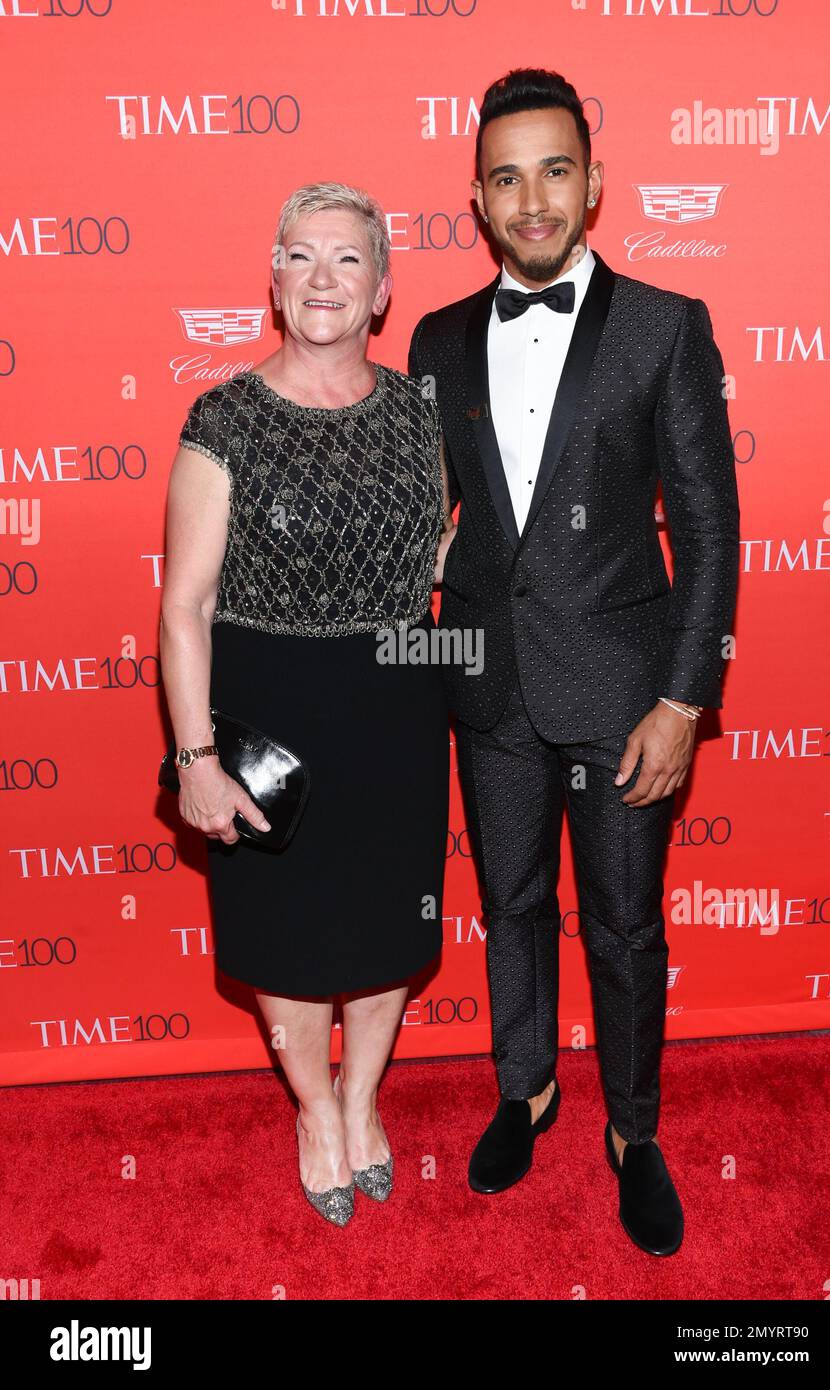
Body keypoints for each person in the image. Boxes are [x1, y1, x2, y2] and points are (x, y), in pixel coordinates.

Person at [409, 69, 740, 1256]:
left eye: (556, 170)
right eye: (507, 176)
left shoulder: (664, 324)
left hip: (621, 690)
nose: (533, 197)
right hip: (489, 684)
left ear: (594, 184)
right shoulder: (437, 338)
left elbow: (705, 526)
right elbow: (435, 515)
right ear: (478, 199)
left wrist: (684, 698)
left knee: (623, 924)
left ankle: (634, 1132)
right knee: (508, 905)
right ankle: (525, 1087)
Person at [159, 182, 456, 1227]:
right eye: (302, 256)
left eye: (347, 259)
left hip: (396, 709)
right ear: (273, 278)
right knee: (284, 934)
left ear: (382, 290)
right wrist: (196, 757)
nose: (323, 277)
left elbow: (438, 556)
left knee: (384, 930)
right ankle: (316, 1109)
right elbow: (184, 605)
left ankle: (365, 1095)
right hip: (267, 710)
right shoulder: (225, 417)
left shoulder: (422, 413)